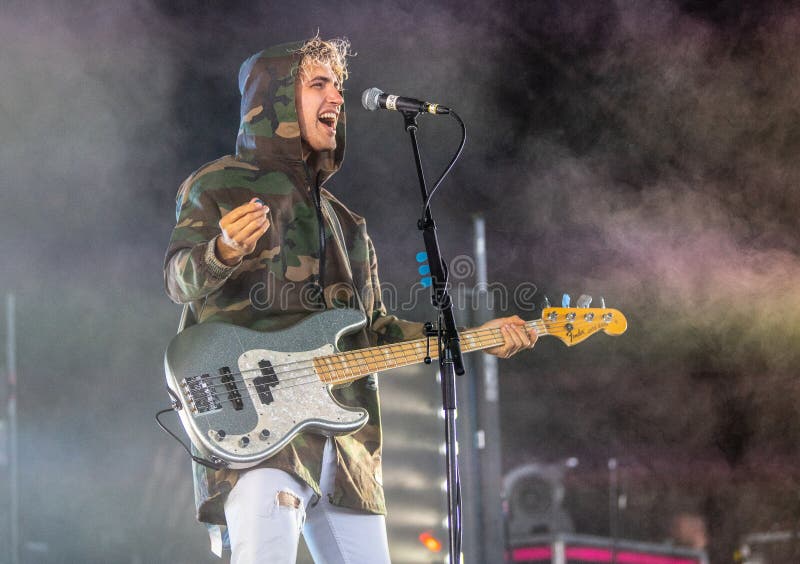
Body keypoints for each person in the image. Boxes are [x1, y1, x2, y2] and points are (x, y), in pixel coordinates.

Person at [164, 34, 537, 564]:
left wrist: (474, 339)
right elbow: (178, 280)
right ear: (274, 100)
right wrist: (222, 249)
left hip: (345, 442)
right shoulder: (218, 184)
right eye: (319, 84)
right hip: (257, 423)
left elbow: (375, 327)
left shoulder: (348, 224)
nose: (337, 98)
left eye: (338, 86)